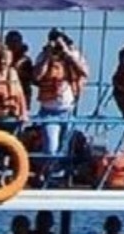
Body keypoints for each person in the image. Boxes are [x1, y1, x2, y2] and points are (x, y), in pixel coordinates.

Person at [33, 28, 89, 158]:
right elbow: (37, 76)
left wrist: (67, 53)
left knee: (65, 148)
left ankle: (61, 169)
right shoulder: (43, 56)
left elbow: (84, 72)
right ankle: (49, 169)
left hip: (68, 110)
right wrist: (48, 55)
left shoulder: (73, 54)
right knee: (51, 149)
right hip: (49, 112)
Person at [5, 30, 36, 112]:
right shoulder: (3, 59)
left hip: (22, 94)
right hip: (6, 95)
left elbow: (32, 78)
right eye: (9, 43)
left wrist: (16, 71)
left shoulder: (25, 60)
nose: (11, 46)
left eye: (14, 42)